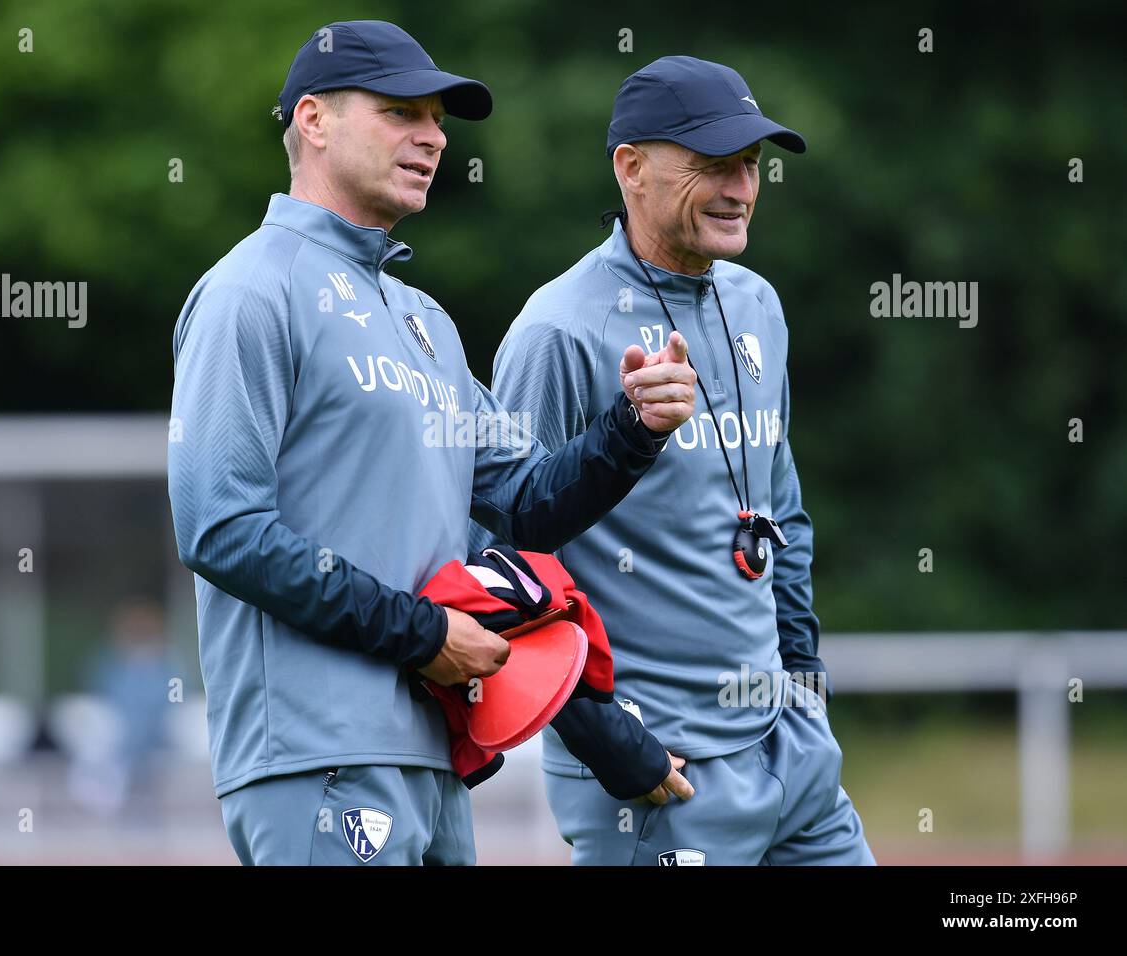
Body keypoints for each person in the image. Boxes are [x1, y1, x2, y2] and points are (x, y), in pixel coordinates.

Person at [166, 21, 696, 866]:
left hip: (436, 761)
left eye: (440, 122)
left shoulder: (423, 323)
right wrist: (423, 635)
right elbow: (220, 528)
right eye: (401, 113)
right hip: (318, 755)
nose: (433, 138)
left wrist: (632, 428)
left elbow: (527, 501)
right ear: (314, 119)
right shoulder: (249, 289)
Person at [472, 56, 874, 865]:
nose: (741, 188)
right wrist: (606, 739)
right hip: (664, 776)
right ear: (632, 169)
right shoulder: (558, 329)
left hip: (791, 753)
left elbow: (779, 511)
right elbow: (501, 563)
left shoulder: (758, 302)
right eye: (713, 166)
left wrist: (803, 681)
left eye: (751, 166)